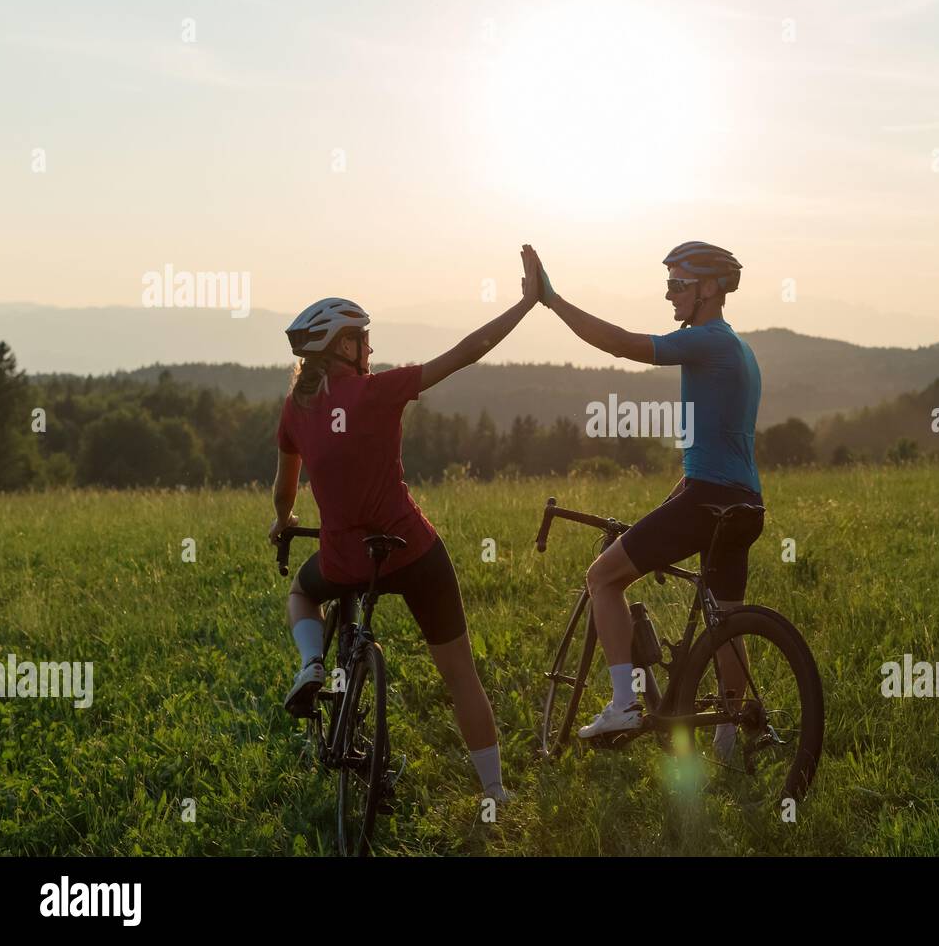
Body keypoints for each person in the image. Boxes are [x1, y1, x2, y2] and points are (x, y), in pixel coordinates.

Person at [268, 246, 541, 801]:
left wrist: (284, 520)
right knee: (460, 674)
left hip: (347, 560)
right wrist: (526, 304)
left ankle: (313, 664)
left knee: (302, 590)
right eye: (363, 338)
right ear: (344, 346)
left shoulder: (297, 409)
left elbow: (284, 488)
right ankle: (494, 791)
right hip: (411, 551)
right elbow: (469, 350)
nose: (370, 347)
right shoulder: (378, 391)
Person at [528, 242, 764, 745]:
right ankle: (730, 742)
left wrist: (553, 299)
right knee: (726, 621)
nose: (669, 294)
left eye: (678, 284)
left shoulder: (707, 341)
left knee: (603, 578)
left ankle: (623, 704)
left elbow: (620, 344)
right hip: (745, 504)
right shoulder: (741, 350)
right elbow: (723, 448)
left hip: (708, 503)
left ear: (708, 289)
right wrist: (670, 504)